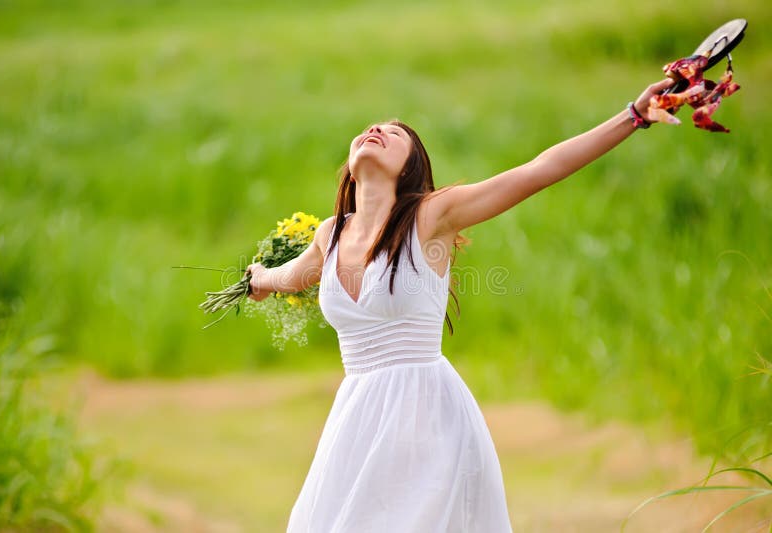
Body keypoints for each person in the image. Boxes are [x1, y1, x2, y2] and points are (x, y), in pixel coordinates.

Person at [246, 77, 676, 532]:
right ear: (352, 168)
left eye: (395, 135)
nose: (377, 130)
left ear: (410, 169)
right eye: (371, 129)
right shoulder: (329, 233)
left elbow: (538, 170)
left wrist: (633, 116)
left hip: (426, 420)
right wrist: (258, 279)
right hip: (356, 423)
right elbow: (293, 276)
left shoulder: (431, 216)